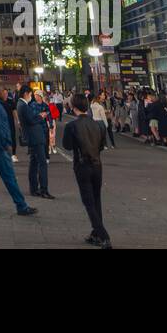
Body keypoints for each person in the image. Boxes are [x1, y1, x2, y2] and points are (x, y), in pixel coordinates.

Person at [0, 83, 38, 218]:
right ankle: (21, 206)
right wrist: (5, 144)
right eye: (5, 90)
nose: (7, 93)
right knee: (10, 177)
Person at [62, 94, 111, 248]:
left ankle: (103, 236)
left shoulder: (72, 126)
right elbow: (102, 145)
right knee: (96, 199)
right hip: (97, 164)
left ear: (73, 107)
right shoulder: (98, 125)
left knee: (88, 201)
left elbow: (67, 146)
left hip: (82, 165)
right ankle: (96, 233)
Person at [19, 89, 54, 199]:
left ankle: (34, 189)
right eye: (31, 94)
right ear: (26, 94)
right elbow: (32, 120)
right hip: (35, 136)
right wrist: (41, 116)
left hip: (35, 135)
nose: (33, 97)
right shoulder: (25, 105)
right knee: (42, 163)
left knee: (34, 162)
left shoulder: (23, 105)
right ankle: (43, 189)